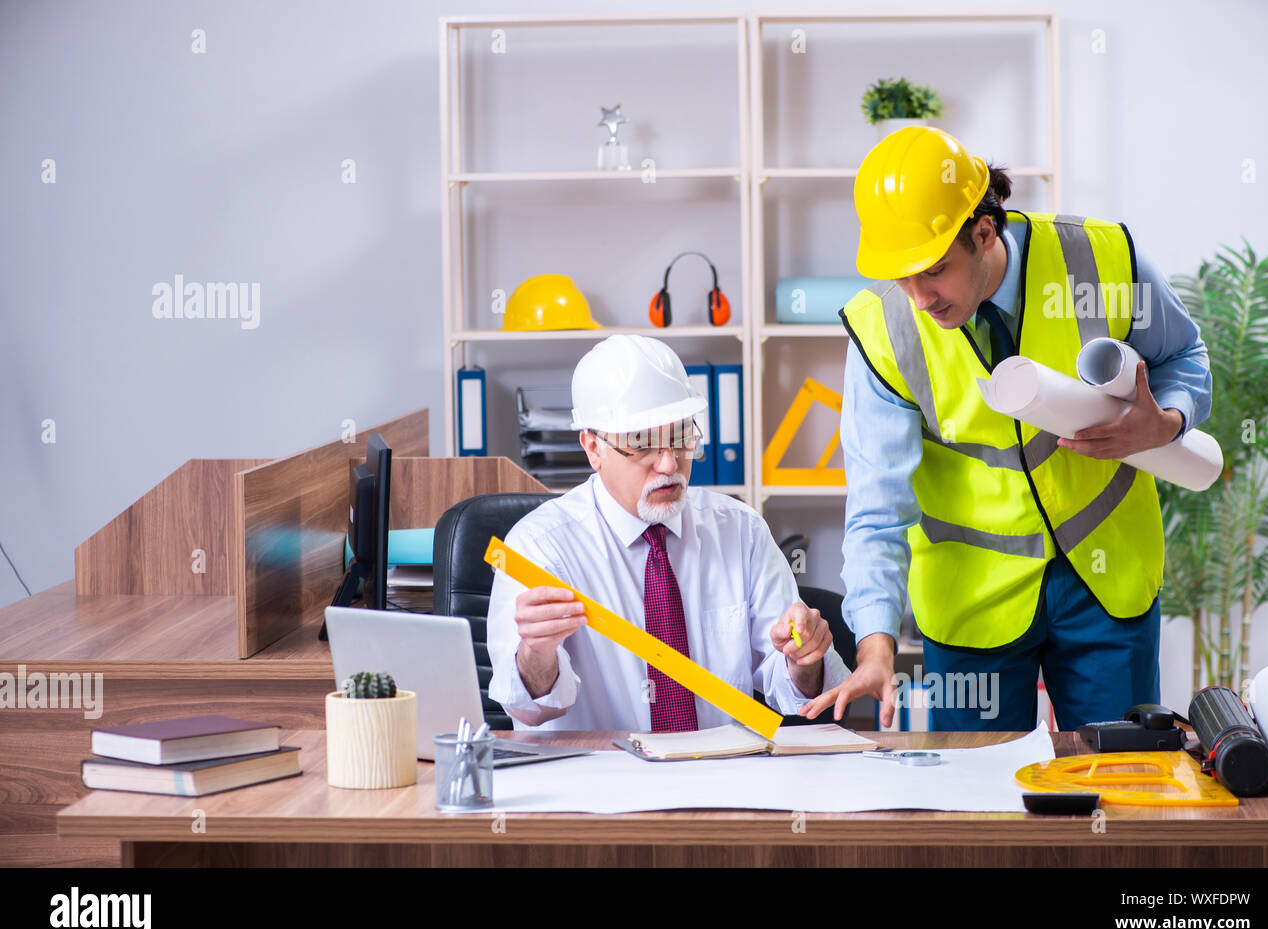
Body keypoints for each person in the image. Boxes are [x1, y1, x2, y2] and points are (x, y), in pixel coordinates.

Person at [802, 126, 1212, 732]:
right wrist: (876, 644)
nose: (918, 297)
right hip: (970, 603)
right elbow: (876, 509)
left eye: (933, 270)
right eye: (901, 276)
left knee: (1121, 792)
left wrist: (1168, 420)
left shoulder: (1099, 259)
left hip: (1107, 582)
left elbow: (1185, 354)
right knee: (977, 807)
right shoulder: (882, 331)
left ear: (984, 232)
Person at [487, 334, 851, 731]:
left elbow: (798, 694)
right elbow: (528, 711)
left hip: (721, 777)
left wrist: (804, 659)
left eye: (680, 437)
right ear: (593, 448)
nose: (668, 464)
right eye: (642, 443)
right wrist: (536, 652)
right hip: (599, 781)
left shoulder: (740, 530)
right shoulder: (540, 547)